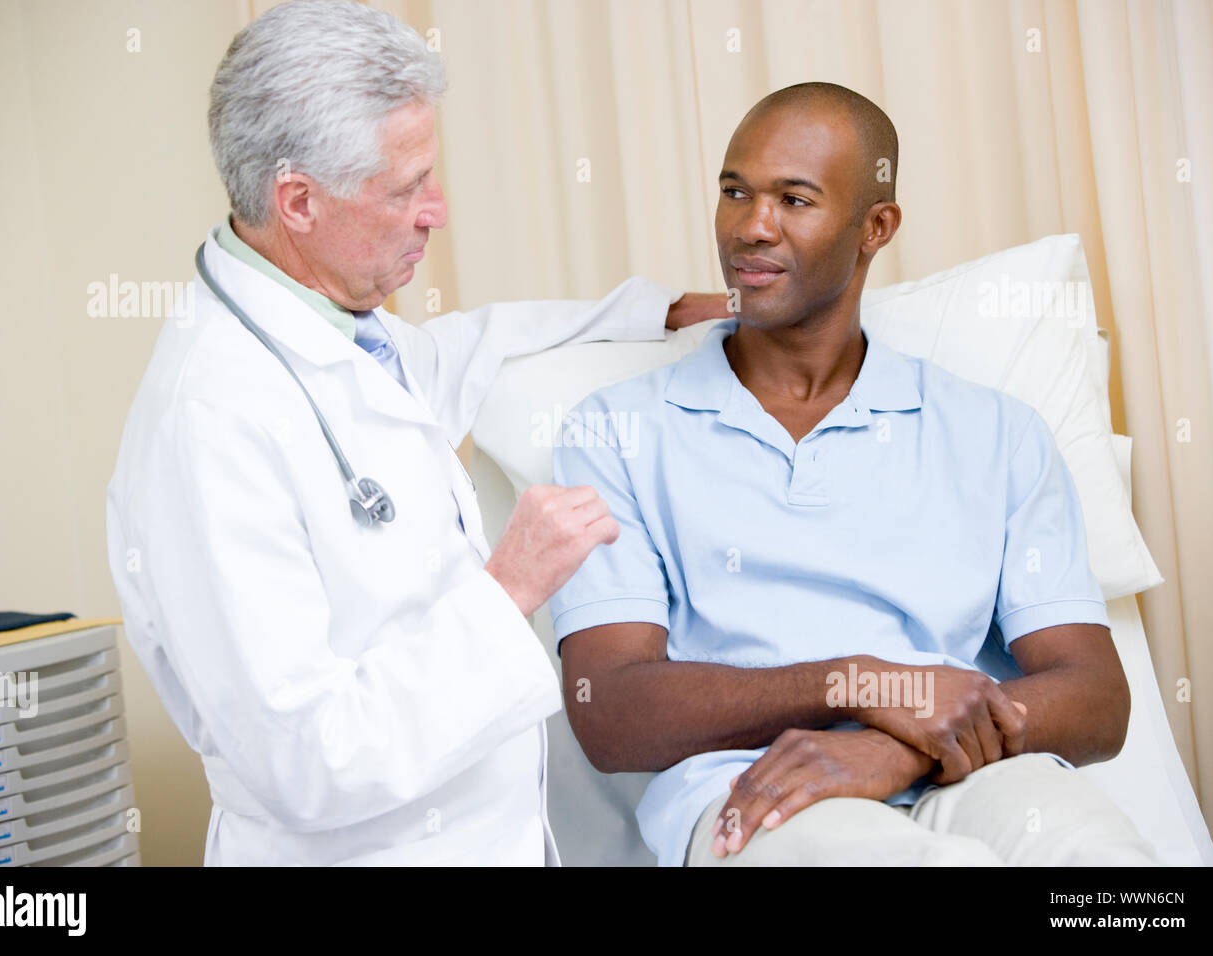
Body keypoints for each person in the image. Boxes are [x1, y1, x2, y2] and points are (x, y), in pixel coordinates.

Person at [105, 0, 724, 866]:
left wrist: (653, 312)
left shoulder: (341, 327)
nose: (437, 212)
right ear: (299, 201)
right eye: (405, 190)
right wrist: (505, 590)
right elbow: (302, 760)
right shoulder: (209, 425)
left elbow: (468, 348)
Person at [550, 82, 1157, 866]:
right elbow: (610, 711)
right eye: (736, 192)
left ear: (876, 226)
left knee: (1119, 882)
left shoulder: (995, 433)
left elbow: (1097, 699)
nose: (750, 227)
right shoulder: (617, 431)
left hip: (969, 775)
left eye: (793, 199)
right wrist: (862, 683)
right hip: (758, 789)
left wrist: (901, 747)